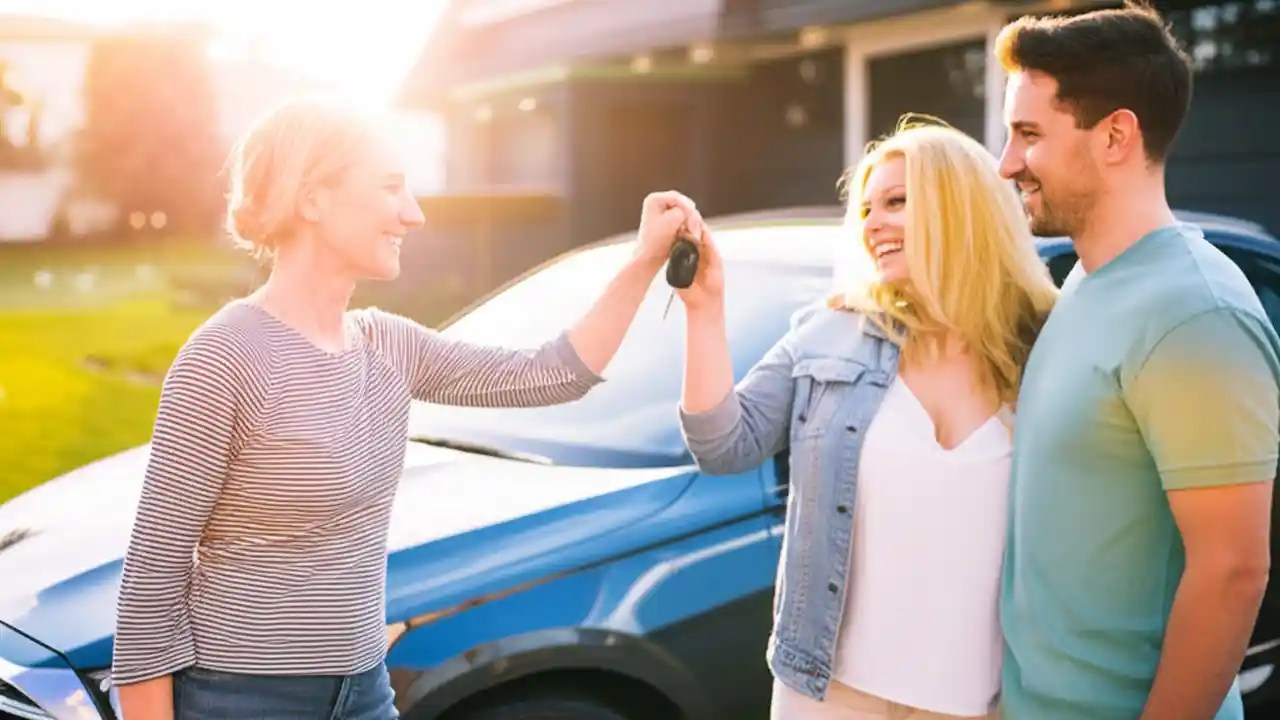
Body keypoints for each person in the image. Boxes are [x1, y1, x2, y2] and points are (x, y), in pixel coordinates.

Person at [109, 96, 706, 720]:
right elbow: (151, 583)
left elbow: (554, 372)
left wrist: (643, 261)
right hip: (246, 700)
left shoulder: (387, 344)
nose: (413, 214)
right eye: (391, 188)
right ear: (312, 199)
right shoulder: (225, 357)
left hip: (364, 691)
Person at [677, 119, 1058, 720]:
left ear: (960, 209)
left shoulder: (1043, 345)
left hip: (978, 700)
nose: (873, 222)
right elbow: (723, 444)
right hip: (829, 692)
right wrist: (704, 309)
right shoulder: (831, 331)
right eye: (867, 208)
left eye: (897, 202)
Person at [995, 4, 1280, 719]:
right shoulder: (1086, 282)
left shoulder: (1196, 313)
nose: (1006, 164)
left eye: (1028, 135)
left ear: (1116, 135)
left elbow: (1233, 572)